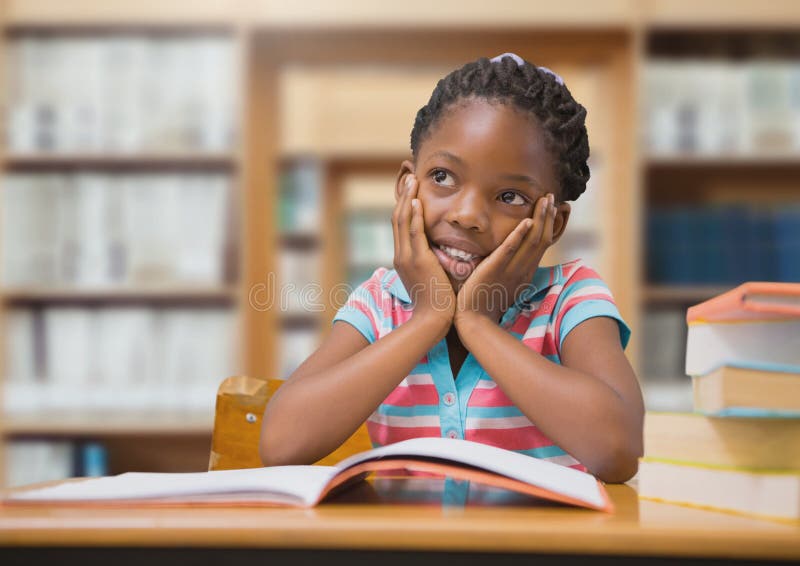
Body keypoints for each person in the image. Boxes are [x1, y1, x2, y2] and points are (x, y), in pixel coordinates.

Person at [260, 53, 644, 483]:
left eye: (510, 197)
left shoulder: (570, 298)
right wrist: (428, 318)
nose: (467, 215)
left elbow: (617, 450)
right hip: (412, 550)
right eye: (443, 176)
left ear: (552, 223)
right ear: (408, 186)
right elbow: (280, 442)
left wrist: (478, 323)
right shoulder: (379, 303)